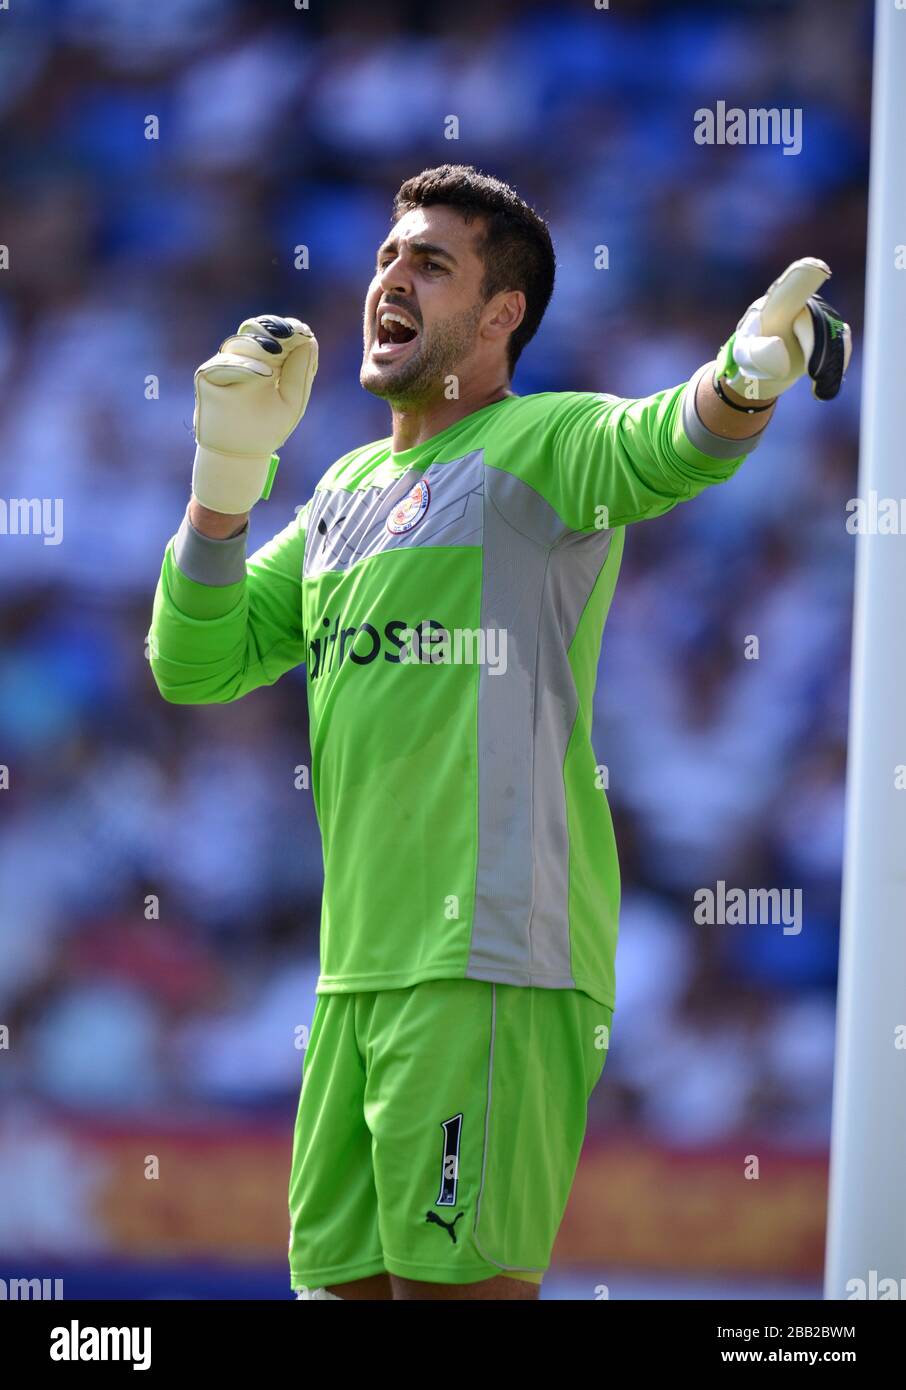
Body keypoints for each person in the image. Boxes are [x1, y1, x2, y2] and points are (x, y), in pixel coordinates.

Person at [147, 164, 850, 1301]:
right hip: (355, 978)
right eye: (386, 258)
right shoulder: (340, 493)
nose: (392, 278)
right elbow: (194, 662)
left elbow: (667, 443)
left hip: (488, 961)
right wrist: (223, 482)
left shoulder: (540, 443)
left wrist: (744, 377)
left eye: (430, 264)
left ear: (500, 313)